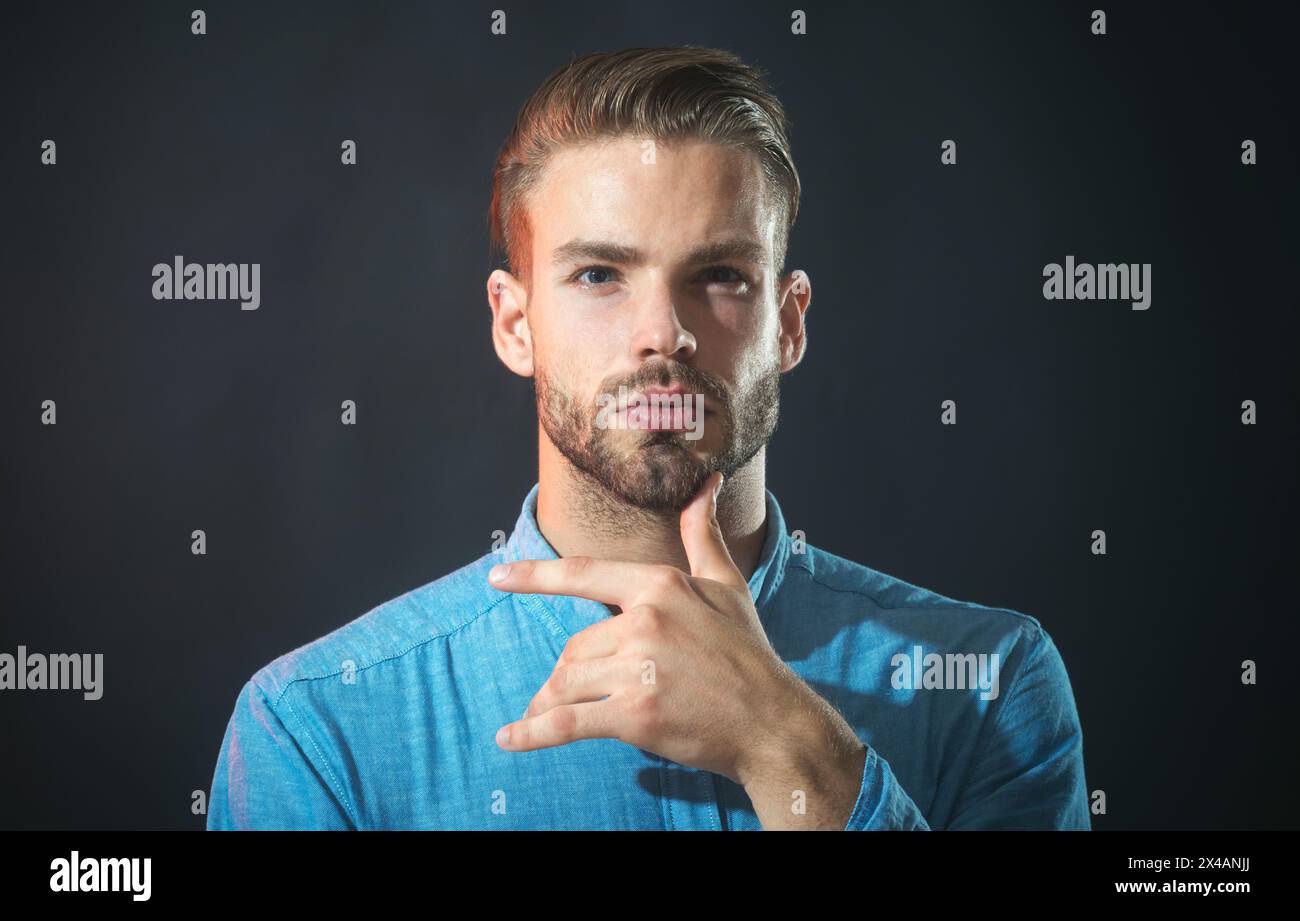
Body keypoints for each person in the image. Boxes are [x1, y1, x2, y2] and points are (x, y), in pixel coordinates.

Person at [207, 45, 1089, 830]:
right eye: (599, 274)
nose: (663, 331)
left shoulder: (988, 683)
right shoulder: (317, 730)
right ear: (515, 324)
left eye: (719, 275)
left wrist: (784, 743)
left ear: (788, 324)